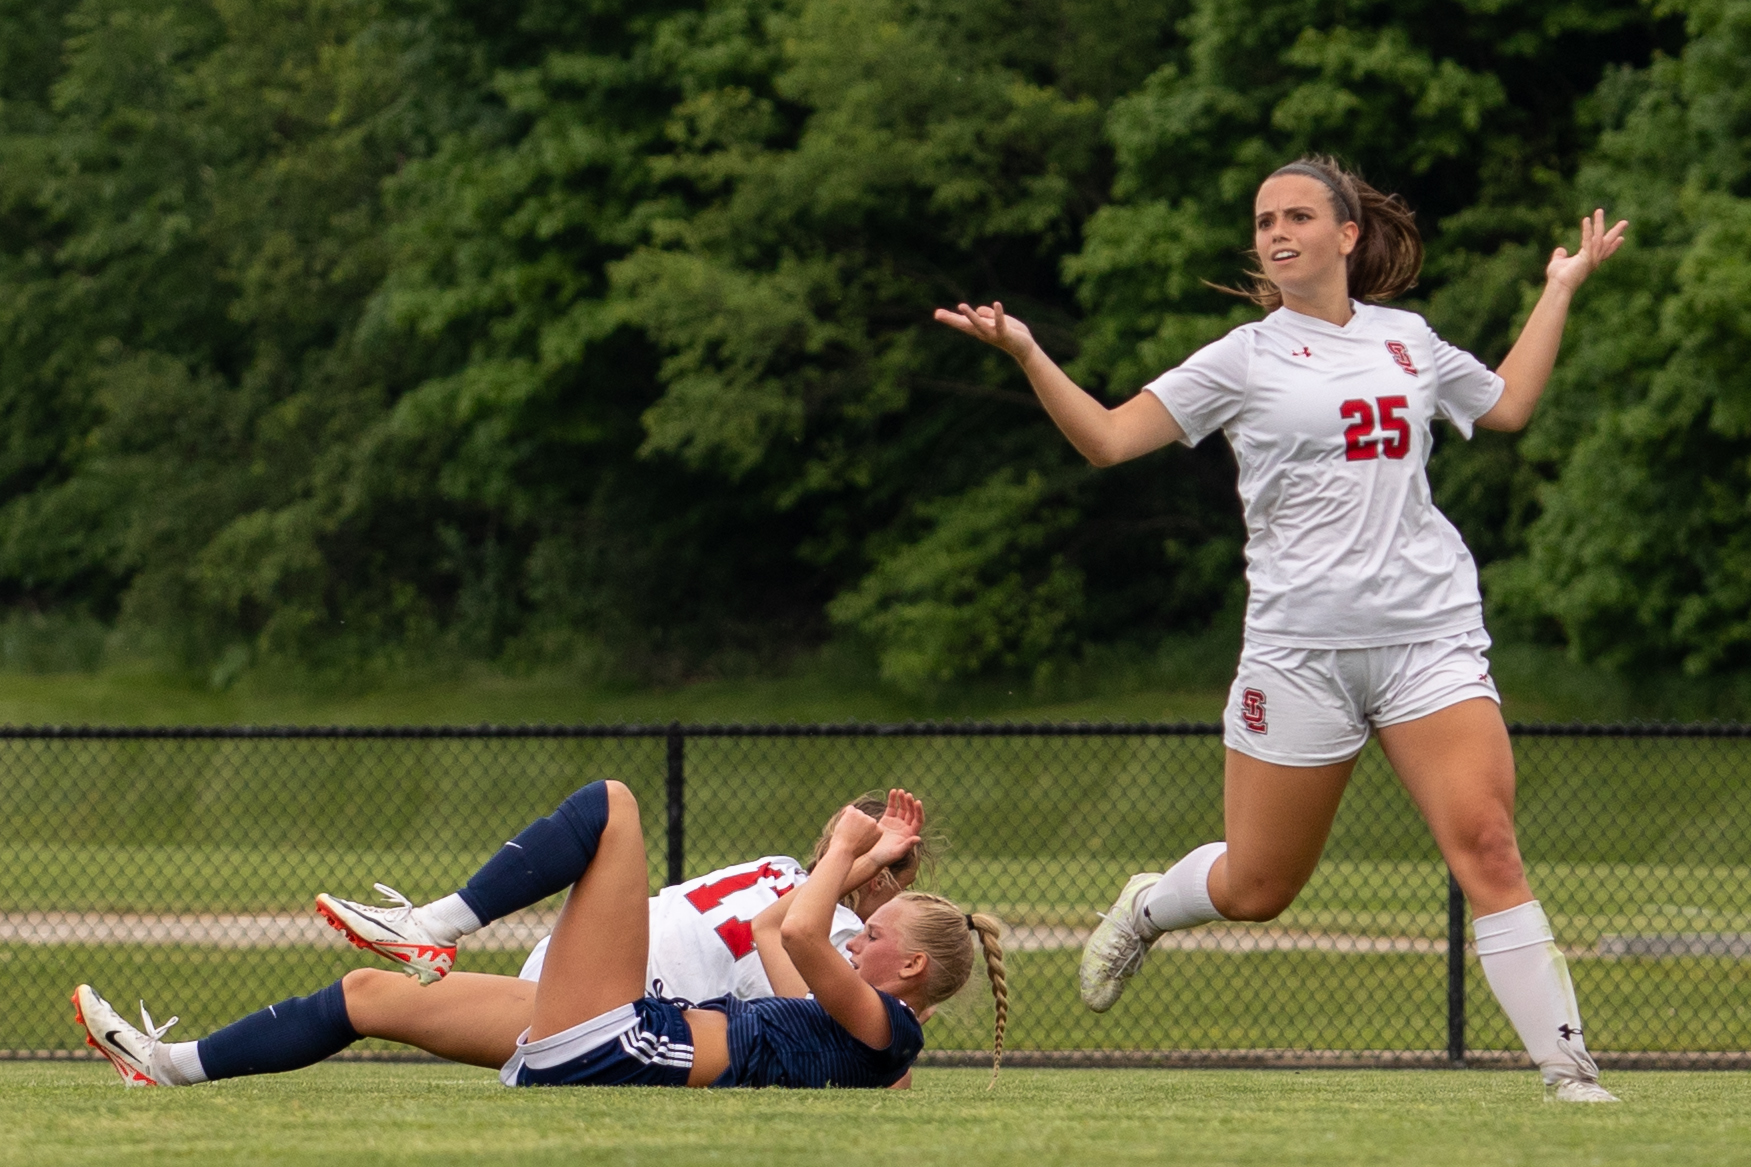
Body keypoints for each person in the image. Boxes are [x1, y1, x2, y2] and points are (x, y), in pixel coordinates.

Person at [934, 155, 1626, 1102]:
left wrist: (1559, 287)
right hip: (1298, 654)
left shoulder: (1407, 339)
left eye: (1297, 215)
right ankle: (1148, 903)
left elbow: (1506, 406)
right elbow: (1103, 439)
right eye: (1263, 221)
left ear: (1346, 236)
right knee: (1259, 888)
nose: (1276, 233)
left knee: (1488, 845)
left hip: (1428, 636)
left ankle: (1568, 1073)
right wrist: (1026, 351)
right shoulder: (1243, 357)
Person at [73, 783, 1007, 1091]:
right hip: (624, 1033)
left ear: (911, 967)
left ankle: (433, 924)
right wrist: (867, 860)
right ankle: (170, 1064)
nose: (854, 934)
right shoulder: (853, 1028)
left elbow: (802, 926)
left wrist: (848, 843)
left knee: (614, 804)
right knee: (367, 998)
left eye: (873, 931)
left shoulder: (890, 1030)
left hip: (630, 1040)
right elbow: (777, 922)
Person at [315, 792, 927, 1001]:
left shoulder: (776, 869)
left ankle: (437, 923)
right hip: (607, 1014)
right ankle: (434, 926)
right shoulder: (836, 934)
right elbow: (805, 1030)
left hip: (560, 963)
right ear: (876, 879)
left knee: (360, 998)